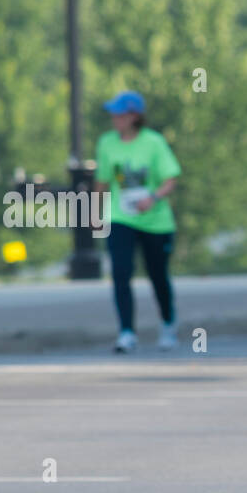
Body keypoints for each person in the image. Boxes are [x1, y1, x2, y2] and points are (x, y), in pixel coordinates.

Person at [93, 91, 182, 352]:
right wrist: (94, 212)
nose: (115, 119)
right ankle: (126, 332)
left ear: (134, 116)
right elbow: (102, 180)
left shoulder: (153, 142)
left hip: (155, 220)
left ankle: (168, 324)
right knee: (121, 272)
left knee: (158, 275)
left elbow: (171, 178)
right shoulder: (107, 143)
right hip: (121, 217)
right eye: (113, 114)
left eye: (120, 114)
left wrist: (153, 198)